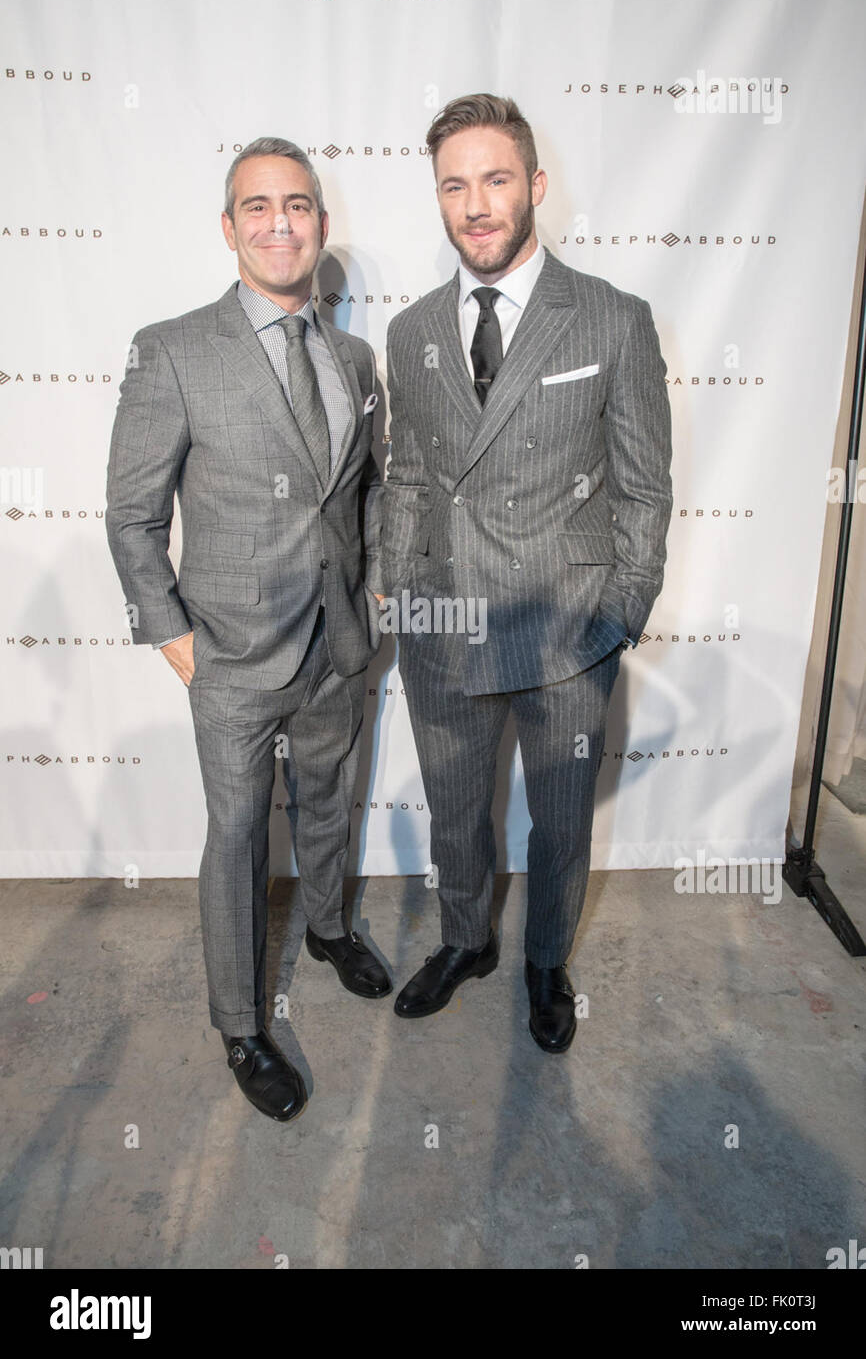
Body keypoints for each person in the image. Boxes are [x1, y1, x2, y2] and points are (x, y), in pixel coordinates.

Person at [381, 94, 673, 1053]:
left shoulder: (611, 320)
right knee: (456, 810)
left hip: (565, 624)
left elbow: (643, 485)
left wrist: (621, 614)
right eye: (454, 185)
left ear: (535, 185)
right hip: (442, 621)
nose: (475, 204)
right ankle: (468, 940)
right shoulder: (412, 329)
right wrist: (395, 581)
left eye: (495, 179)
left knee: (558, 825)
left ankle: (547, 959)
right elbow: (411, 470)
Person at [106, 137, 389, 1121]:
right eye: (258, 206)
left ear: (319, 224)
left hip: (335, 641)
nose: (281, 222)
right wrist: (169, 633)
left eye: (299, 205)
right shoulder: (173, 348)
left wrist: (378, 588)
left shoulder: (353, 357)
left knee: (326, 802)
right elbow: (131, 513)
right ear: (229, 229)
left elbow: (364, 494)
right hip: (225, 649)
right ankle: (239, 1022)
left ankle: (326, 927)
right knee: (235, 835)